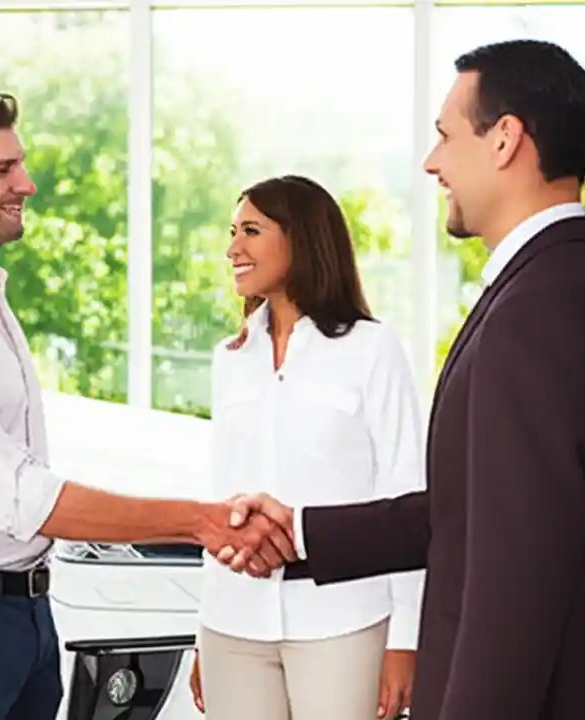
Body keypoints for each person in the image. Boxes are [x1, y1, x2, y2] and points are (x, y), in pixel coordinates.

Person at [219, 40, 585, 719]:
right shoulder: (578, 287)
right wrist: (304, 532)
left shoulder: (543, 308)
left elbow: (517, 580)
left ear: (505, 140)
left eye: (445, 136)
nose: (432, 163)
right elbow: (474, 511)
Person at [0, 87, 294, 720]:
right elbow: (20, 498)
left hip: (21, 614)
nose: (26, 184)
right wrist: (201, 521)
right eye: (2, 169)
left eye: (20, 165)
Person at [188, 175, 426, 720]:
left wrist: (405, 639)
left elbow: (408, 497)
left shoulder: (372, 350)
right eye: (232, 232)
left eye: (251, 230)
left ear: (302, 238)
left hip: (344, 622)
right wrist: (202, 627)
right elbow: (220, 495)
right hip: (233, 622)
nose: (233, 249)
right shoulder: (231, 357)